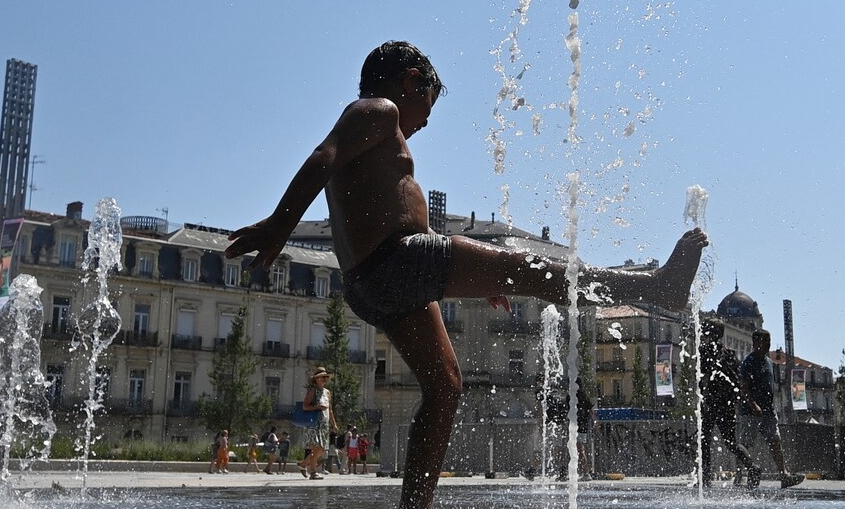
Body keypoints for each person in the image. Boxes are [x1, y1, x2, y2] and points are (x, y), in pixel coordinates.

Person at [225, 40, 709, 508]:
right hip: (398, 261)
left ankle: (416, 506)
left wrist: (480, 280)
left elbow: (392, 208)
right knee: (528, 267)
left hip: (373, 282)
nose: (424, 122)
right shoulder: (378, 110)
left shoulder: (377, 131)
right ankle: (656, 288)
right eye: (427, 107)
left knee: (446, 386)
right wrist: (279, 225)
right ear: (413, 81)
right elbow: (322, 157)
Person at [738, 329, 804, 489]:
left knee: (775, 441)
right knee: (745, 445)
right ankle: (739, 476)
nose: (768, 345)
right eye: (765, 341)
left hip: (768, 411)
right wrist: (753, 404)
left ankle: (784, 475)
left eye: (769, 341)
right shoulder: (749, 362)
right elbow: (743, 387)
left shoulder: (768, 362)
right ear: (755, 343)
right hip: (751, 412)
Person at [698, 319, 757, 487]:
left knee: (704, 440)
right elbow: (737, 378)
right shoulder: (729, 353)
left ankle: (705, 478)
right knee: (731, 442)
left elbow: (702, 376)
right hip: (727, 404)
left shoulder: (704, 350)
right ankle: (752, 467)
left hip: (710, 402)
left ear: (708, 332)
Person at [297, 367, 340, 480]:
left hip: (324, 425)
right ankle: (313, 472)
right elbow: (305, 406)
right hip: (314, 424)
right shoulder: (312, 391)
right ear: (316, 379)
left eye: (325, 377)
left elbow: (329, 409)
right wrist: (317, 407)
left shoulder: (327, 392)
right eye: (321, 377)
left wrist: (334, 424)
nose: (324, 379)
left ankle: (304, 464)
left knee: (320, 449)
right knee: (318, 447)